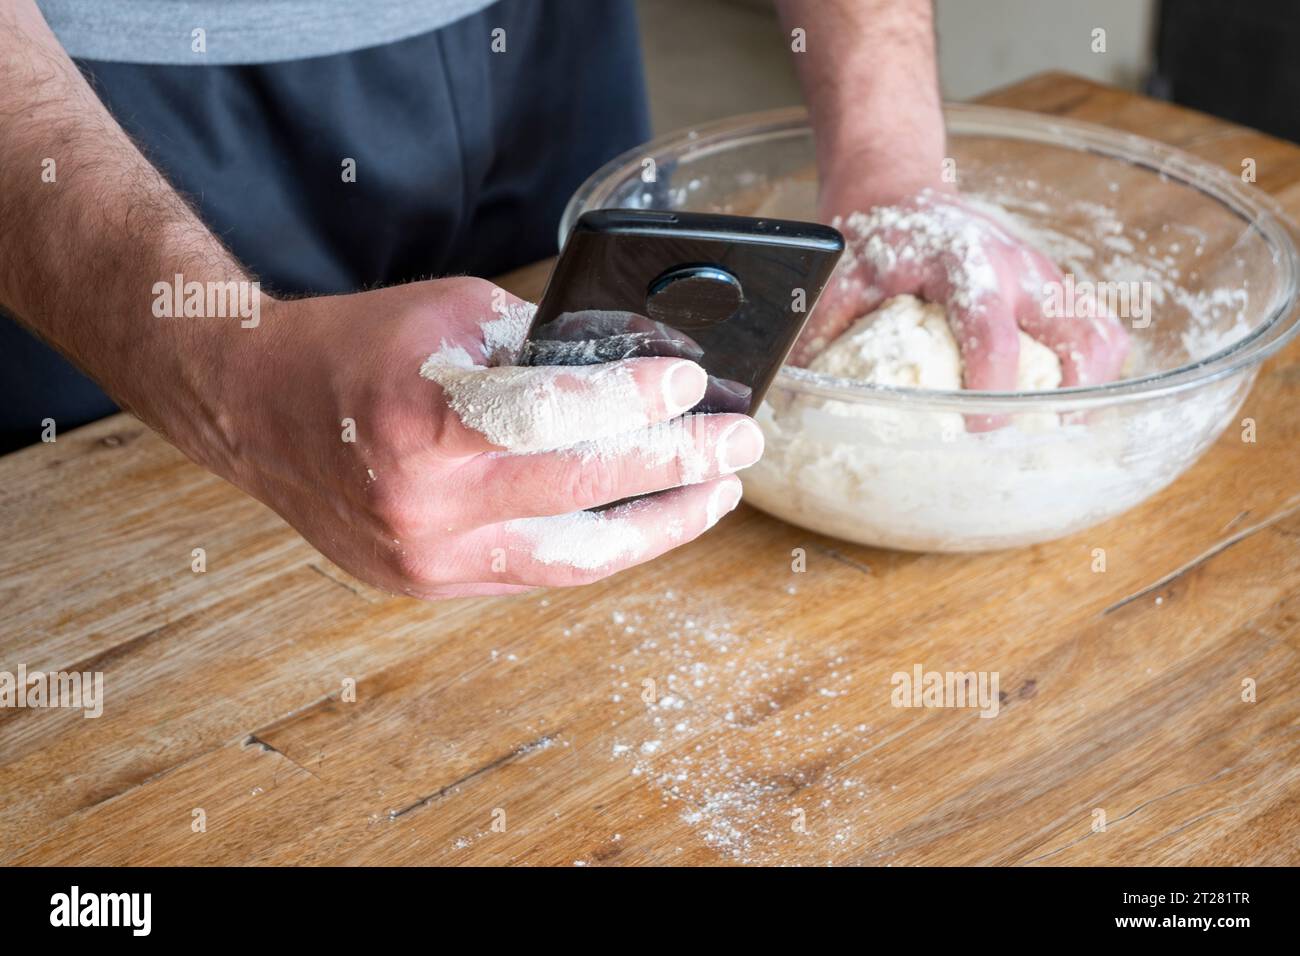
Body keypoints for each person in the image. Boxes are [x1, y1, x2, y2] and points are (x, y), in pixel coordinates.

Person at [0, 0, 1125, 598]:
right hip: (94, 123)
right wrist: (231, 382)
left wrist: (891, 159)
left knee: (564, 509)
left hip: (540, 45)